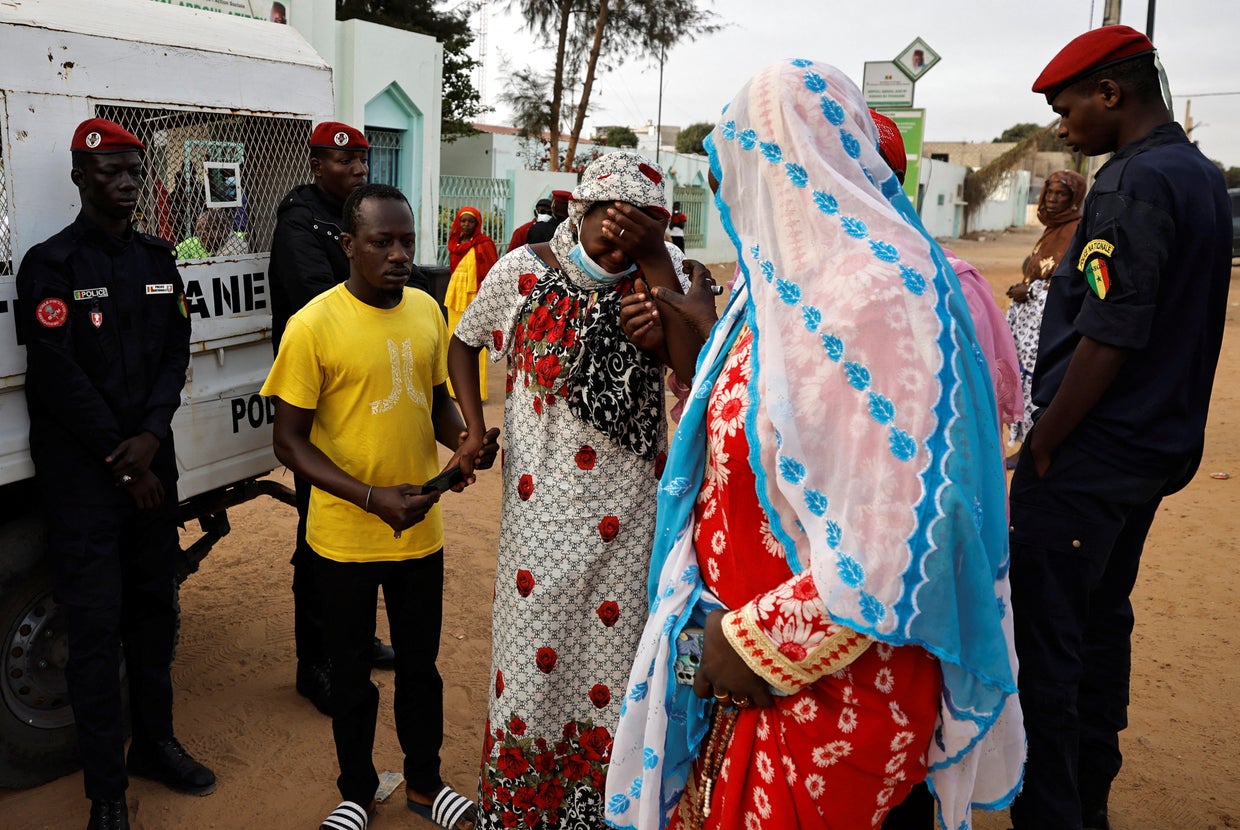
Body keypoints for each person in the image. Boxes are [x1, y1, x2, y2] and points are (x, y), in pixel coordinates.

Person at [605, 60, 1023, 830]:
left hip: (830, 679)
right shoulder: (767, 290)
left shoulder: (881, 296)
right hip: (732, 650)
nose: (726, 187)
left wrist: (752, 641)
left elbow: (905, 528)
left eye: (738, 159)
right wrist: (710, 638)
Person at [1010, 26, 1232, 830]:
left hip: (1090, 459)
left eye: (1066, 108)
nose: (1063, 126)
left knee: (1050, 649)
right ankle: (1089, 800)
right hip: (1148, 454)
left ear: (1110, 93)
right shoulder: (1199, 174)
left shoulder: (1132, 182)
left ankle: (1055, 812)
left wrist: (1044, 442)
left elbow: (1109, 333)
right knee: (1101, 625)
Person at [448, 150, 694, 830]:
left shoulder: (668, 277)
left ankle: (605, 811)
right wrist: (473, 428)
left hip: (630, 518)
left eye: (638, 233)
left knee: (616, 669)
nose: (618, 249)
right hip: (540, 517)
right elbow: (463, 341)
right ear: (579, 212)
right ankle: (524, 811)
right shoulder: (523, 272)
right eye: (610, 230)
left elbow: (695, 370)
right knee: (531, 667)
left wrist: (656, 272)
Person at [262, 183, 498, 830]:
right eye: (381, 242)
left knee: (421, 668)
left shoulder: (425, 309)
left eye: (407, 242)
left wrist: (464, 441)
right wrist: (369, 498)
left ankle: (425, 784)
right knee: (351, 675)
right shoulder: (313, 325)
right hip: (343, 539)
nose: (399, 255)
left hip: (419, 530)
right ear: (348, 245)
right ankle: (357, 793)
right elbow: (288, 441)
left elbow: (433, 399)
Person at [16, 118, 213, 830]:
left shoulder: (158, 258)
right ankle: (106, 793)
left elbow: (175, 350)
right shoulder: (51, 265)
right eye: (111, 172)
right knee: (95, 632)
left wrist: (152, 436)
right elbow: (57, 374)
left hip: (152, 465)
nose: (127, 183)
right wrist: (123, 458)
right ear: (80, 176)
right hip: (87, 480)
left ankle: (155, 746)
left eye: (135, 170)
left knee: (154, 613)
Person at [268, 121, 400, 715]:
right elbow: (321, 302)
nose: (358, 169)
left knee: (366, 525)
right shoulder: (300, 223)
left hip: (363, 395)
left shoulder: (355, 217)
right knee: (320, 534)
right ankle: (315, 662)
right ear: (316, 165)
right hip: (319, 402)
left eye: (363, 160)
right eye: (345, 161)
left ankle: (356, 638)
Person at [1005, 170, 1087, 454]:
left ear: (1074, 198)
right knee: (1023, 380)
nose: (1051, 199)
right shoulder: (1053, 227)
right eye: (1049, 192)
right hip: (1029, 321)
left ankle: (1033, 448)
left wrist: (1030, 292)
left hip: (1047, 322)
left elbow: (1068, 282)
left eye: (1060, 194)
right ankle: (1025, 445)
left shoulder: (1075, 230)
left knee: (1038, 383)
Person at [444, 206, 498, 400]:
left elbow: (491, 273)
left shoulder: (484, 244)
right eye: (463, 220)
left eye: (470, 221)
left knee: (475, 343)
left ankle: (477, 392)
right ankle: (453, 390)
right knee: (453, 341)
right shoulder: (454, 244)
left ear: (477, 224)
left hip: (475, 298)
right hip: (455, 298)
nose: (466, 224)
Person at [175, 208, 248, 259]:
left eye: (203, 234)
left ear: (217, 231)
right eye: (199, 235)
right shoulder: (231, 242)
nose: (200, 239)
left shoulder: (229, 251)